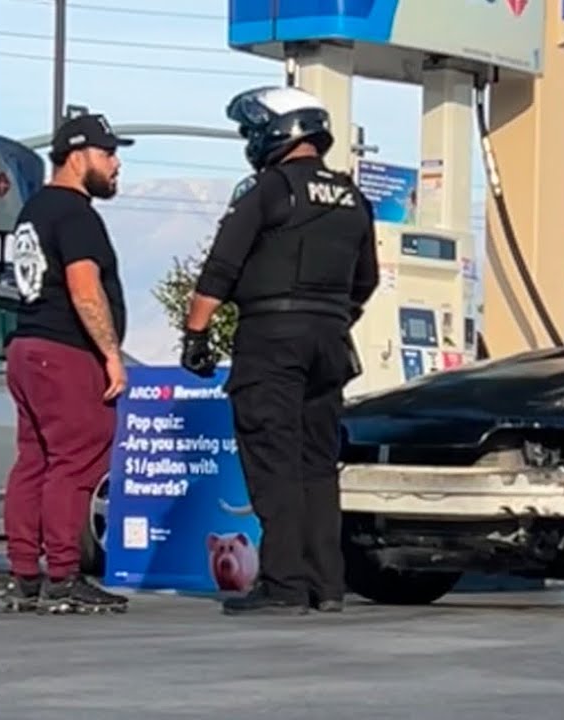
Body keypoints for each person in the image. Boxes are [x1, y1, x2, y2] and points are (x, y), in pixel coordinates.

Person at [179, 86, 378, 616]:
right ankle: (325, 585)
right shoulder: (353, 198)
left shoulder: (269, 189)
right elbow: (367, 280)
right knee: (318, 462)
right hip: (331, 342)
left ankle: (284, 586)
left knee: (273, 457)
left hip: (271, 340)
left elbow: (221, 266)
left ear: (276, 132)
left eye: (252, 130)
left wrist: (196, 334)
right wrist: (331, 317)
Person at [0, 113, 135, 615]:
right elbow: (84, 288)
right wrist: (112, 356)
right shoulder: (76, 214)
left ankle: (24, 576)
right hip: (65, 352)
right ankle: (63, 578)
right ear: (78, 157)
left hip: (27, 347)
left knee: (34, 461)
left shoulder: (34, 209)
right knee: (75, 462)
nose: (116, 164)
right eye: (108, 153)